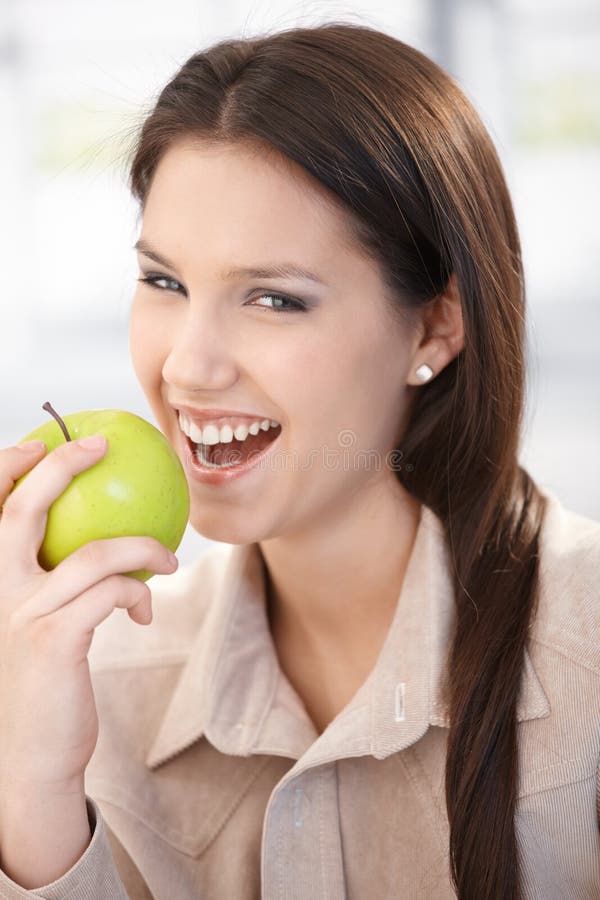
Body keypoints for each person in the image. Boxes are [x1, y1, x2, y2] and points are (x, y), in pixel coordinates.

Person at [0, 20, 598, 900]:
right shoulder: (91, 682)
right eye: (164, 282)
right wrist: (32, 787)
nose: (188, 368)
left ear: (434, 328)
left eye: (275, 299)